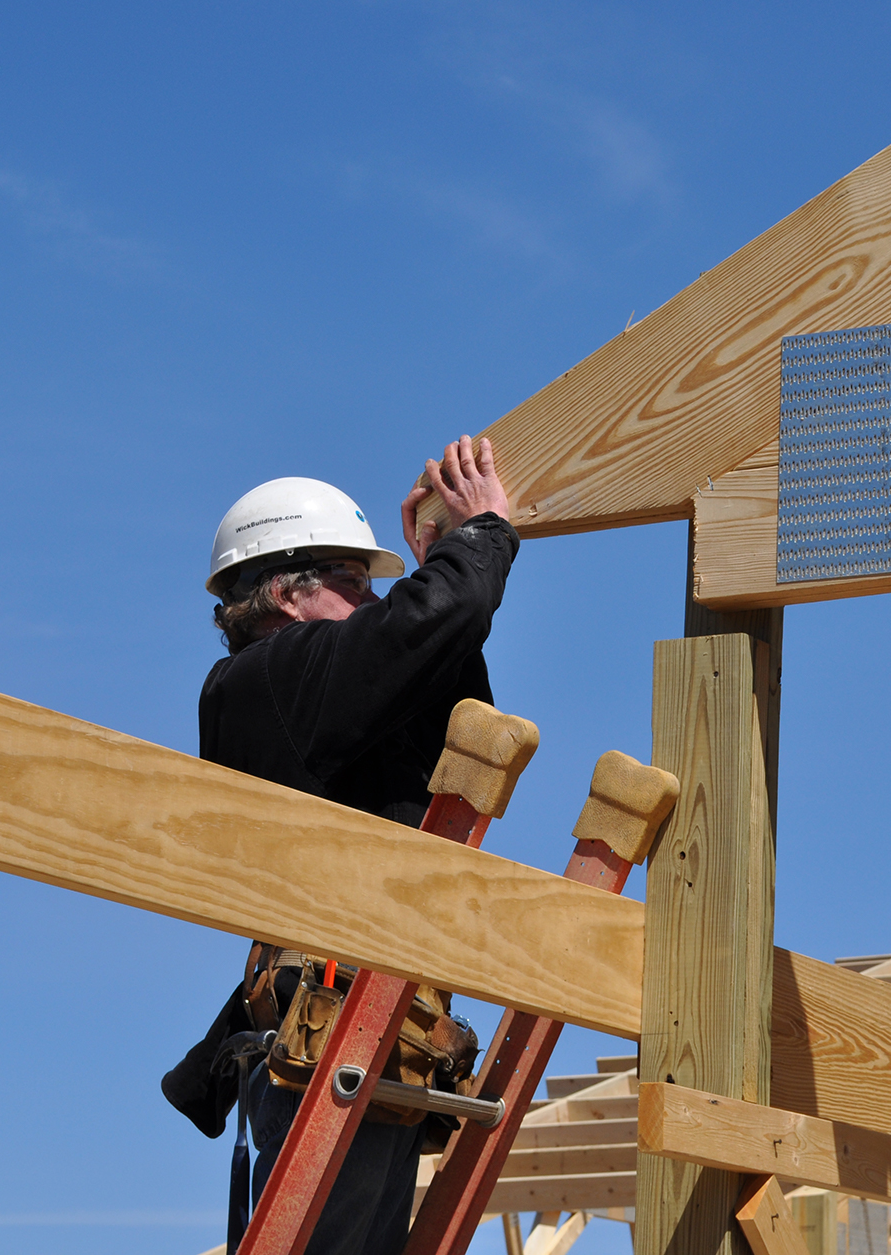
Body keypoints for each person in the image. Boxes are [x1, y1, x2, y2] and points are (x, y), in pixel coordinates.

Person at [199, 435, 516, 1255]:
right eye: (355, 581)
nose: (376, 601)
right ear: (287, 593)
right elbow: (416, 629)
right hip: (330, 1030)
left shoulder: (318, 690)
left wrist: (440, 570)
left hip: (370, 1032)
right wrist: (476, 540)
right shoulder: (265, 679)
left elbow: (436, 682)